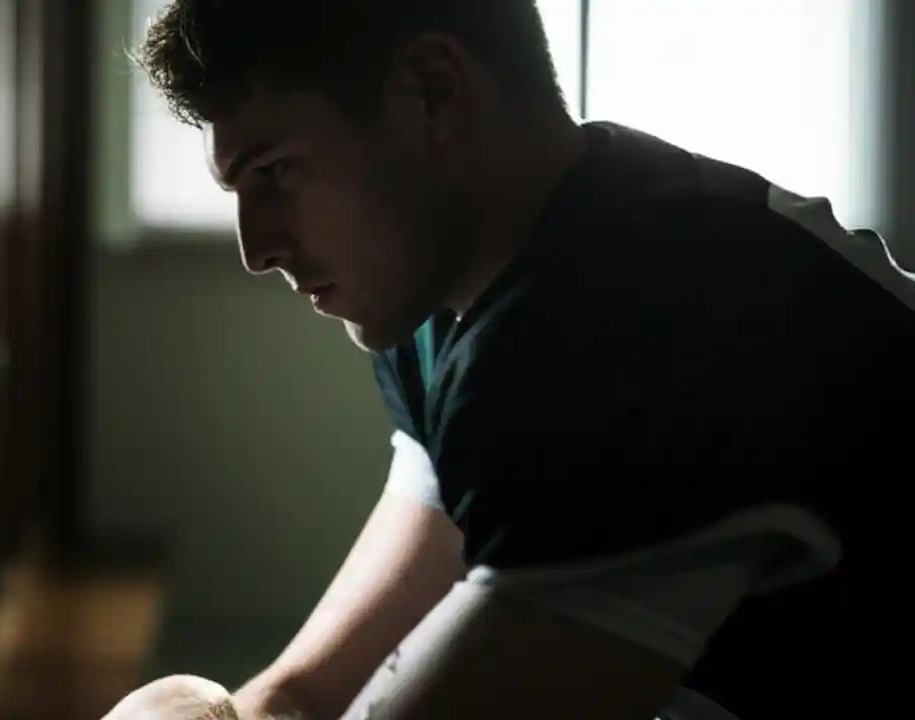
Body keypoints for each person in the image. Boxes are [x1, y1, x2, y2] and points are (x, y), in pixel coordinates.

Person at [123, 1, 915, 717]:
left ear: (433, 91)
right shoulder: (447, 299)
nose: (256, 249)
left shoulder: (643, 316)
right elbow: (299, 698)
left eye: (275, 173)